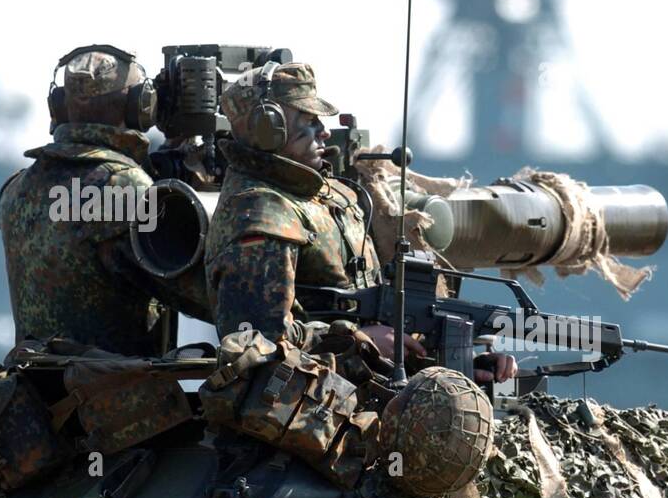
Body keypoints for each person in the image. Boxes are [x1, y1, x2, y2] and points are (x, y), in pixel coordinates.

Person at [206, 61, 515, 384]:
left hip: (351, 390)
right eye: (309, 121)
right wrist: (359, 340)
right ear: (269, 130)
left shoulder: (327, 195)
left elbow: (375, 325)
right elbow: (258, 338)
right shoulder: (262, 211)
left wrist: (455, 360)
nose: (323, 132)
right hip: (300, 406)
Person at [0, 46, 213, 357]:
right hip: (117, 398)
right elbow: (205, 296)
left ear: (58, 105)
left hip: (36, 396)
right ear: (141, 105)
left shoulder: (17, 187)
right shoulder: (122, 186)